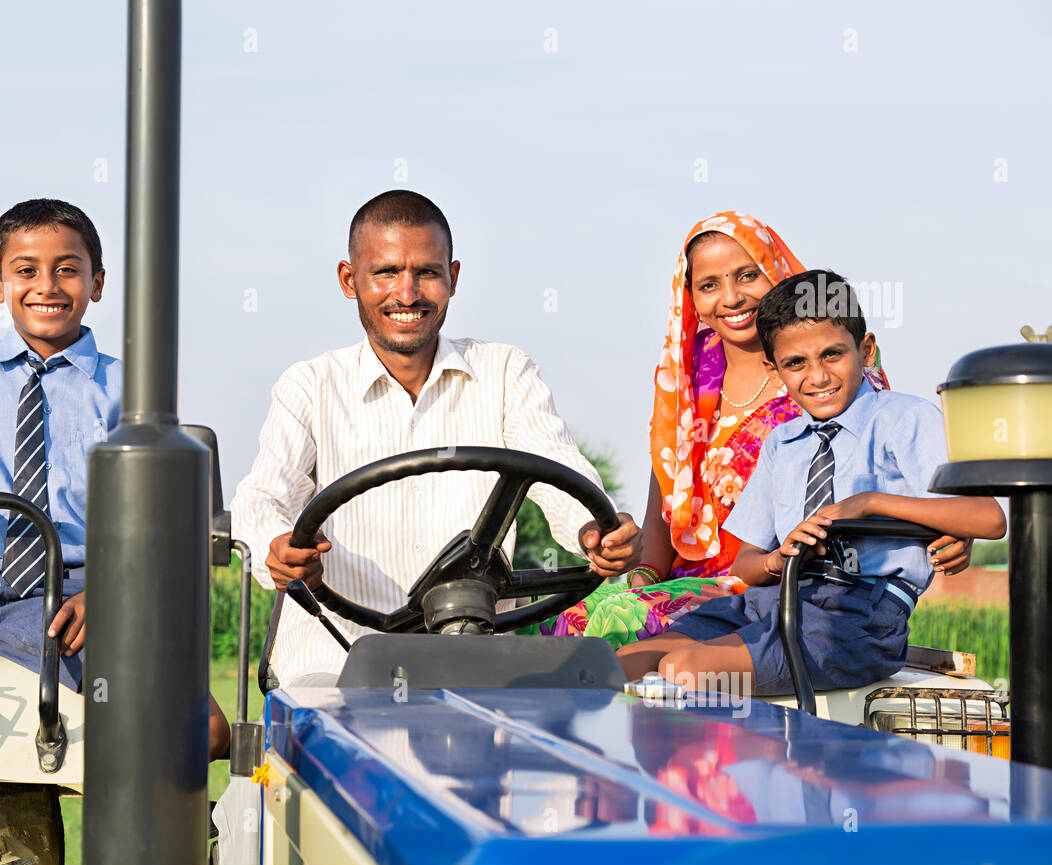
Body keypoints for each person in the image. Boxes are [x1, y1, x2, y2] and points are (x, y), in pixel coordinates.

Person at [231, 189, 642, 686]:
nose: (407, 294)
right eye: (385, 272)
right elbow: (261, 499)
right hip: (337, 659)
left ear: (453, 278)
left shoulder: (505, 371)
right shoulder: (309, 387)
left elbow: (556, 465)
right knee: (335, 727)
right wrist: (279, 546)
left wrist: (594, 532)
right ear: (349, 279)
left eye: (427, 272)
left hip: (478, 658)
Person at [0, 198, 230, 758]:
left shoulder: (130, 386)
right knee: (172, 722)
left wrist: (107, 593)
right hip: (0, 588)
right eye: (26, 271)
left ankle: (154, 826)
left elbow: (161, 511)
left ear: (97, 282)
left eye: (67, 268)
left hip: (108, 582)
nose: (48, 285)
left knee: (206, 732)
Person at [554, 212, 967, 644]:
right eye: (709, 285)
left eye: (747, 275)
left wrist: (955, 533)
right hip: (691, 583)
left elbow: (901, 473)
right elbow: (664, 498)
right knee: (560, 620)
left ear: (776, 275)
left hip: (791, 585)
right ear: (690, 298)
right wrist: (640, 581)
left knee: (611, 631)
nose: (730, 298)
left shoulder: (824, 376)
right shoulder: (686, 379)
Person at [615, 270, 1006, 695]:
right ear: (774, 367)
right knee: (626, 662)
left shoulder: (903, 418)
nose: (817, 376)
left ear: (867, 350)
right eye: (796, 363)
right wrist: (776, 560)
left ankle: (752, 755)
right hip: (777, 596)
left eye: (832, 355)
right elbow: (746, 561)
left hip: (858, 614)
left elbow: (988, 518)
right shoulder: (783, 442)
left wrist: (868, 504)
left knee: (685, 670)